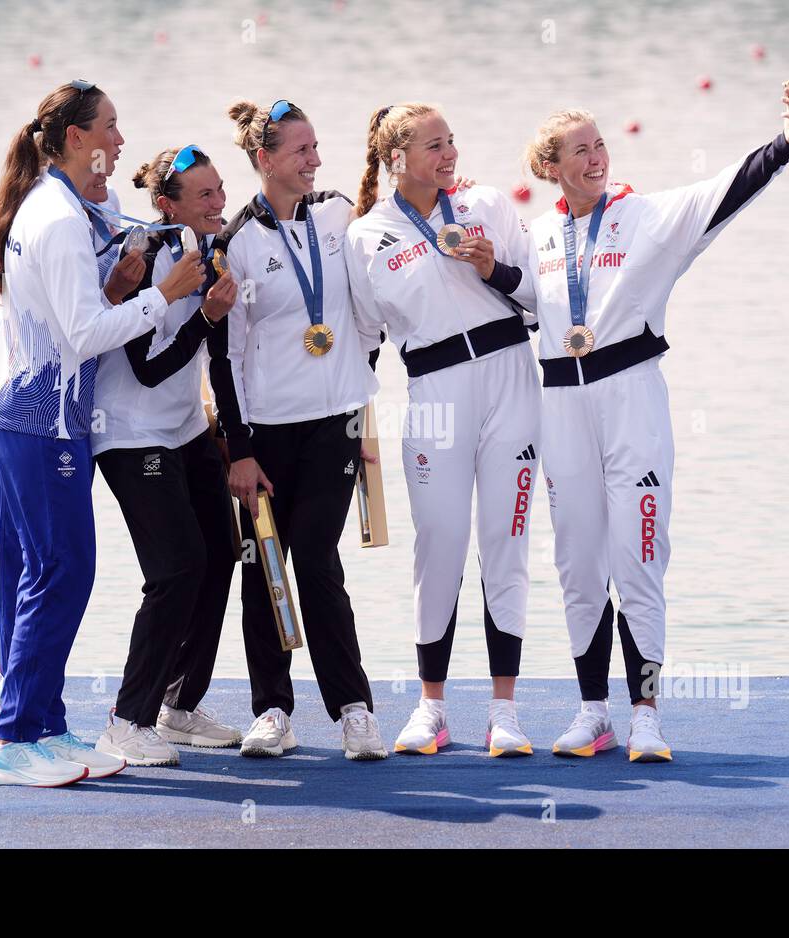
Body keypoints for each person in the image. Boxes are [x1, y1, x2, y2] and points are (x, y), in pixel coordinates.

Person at [523, 81, 789, 761]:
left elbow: (728, 189)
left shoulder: (651, 218)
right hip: (562, 405)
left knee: (640, 558)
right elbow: (514, 295)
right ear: (551, 168)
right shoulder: (536, 234)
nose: (596, 158)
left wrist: (788, 143)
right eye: (580, 150)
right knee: (577, 563)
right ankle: (592, 711)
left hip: (632, 401)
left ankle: (645, 716)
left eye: (600, 145)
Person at [0, 80, 206, 786]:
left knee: (63, 569)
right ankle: (12, 739)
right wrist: (159, 298)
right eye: (109, 126)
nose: (120, 140)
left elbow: (76, 319)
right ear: (76, 138)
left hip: (53, 417)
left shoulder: (63, 206)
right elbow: (84, 333)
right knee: (60, 570)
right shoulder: (57, 217)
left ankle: (44, 722)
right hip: (38, 419)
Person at [344, 103, 541, 757]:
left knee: (505, 540)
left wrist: (496, 271)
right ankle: (431, 708)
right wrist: (355, 432)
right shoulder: (366, 236)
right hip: (432, 394)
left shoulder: (487, 205)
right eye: (435, 145)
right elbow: (362, 344)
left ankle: (505, 712)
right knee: (441, 544)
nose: (449, 154)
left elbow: (543, 297)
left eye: (452, 140)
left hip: (512, 379)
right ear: (396, 158)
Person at [208, 99, 387, 761]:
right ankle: (273, 711)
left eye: (317, 148)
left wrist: (356, 372)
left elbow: (374, 304)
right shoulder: (236, 244)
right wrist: (241, 450)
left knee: (314, 560)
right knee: (263, 569)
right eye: (302, 151)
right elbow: (223, 356)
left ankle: (353, 710)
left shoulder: (342, 214)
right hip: (267, 434)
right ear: (265, 160)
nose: (316, 161)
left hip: (338, 424)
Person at [90, 144, 246, 765]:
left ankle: (179, 706)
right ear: (166, 205)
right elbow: (149, 369)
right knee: (177, 567)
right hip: (131, 435)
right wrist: (205, 317)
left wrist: (238, 442)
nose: (218, 203)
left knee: (220, 555)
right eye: (203, 195)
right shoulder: (144, 257)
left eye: (219, 190)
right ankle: (127, 719)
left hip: (186, 432)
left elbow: (222, 360)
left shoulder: (213, 252)